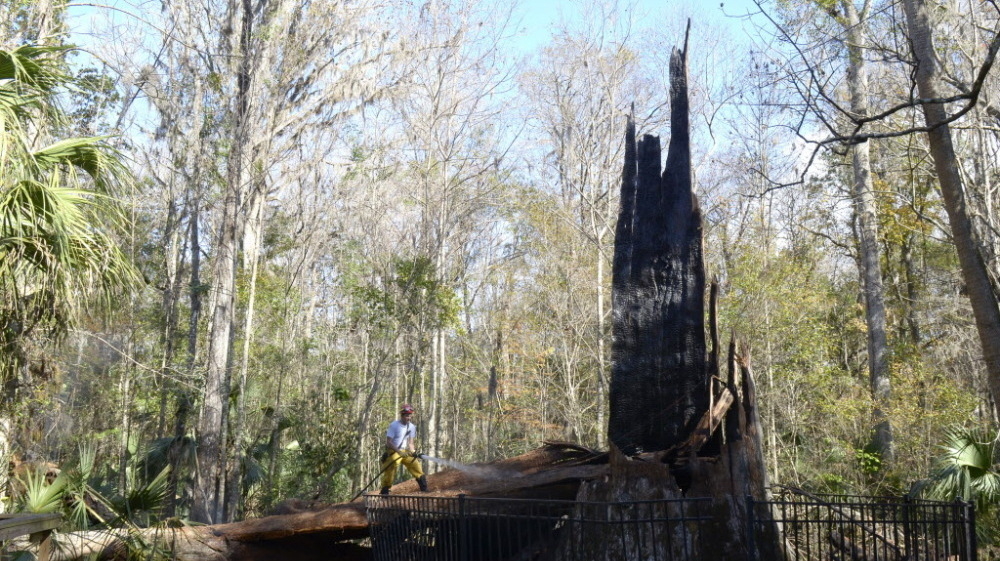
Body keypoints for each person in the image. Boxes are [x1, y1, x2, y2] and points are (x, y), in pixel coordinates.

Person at [379, 404, 428, 494]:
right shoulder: (394, 425)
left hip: (405, 451)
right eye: (406, 415)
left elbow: (411, 443)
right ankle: (385, 490)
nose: (408, 418)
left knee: (415, 464)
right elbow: (389, 442)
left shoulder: (412, 427)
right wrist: (399, 452)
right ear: (402, 415)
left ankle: (424, 489)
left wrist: (413, 451)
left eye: (410, 416)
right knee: (392, 466)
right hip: (394, 451)